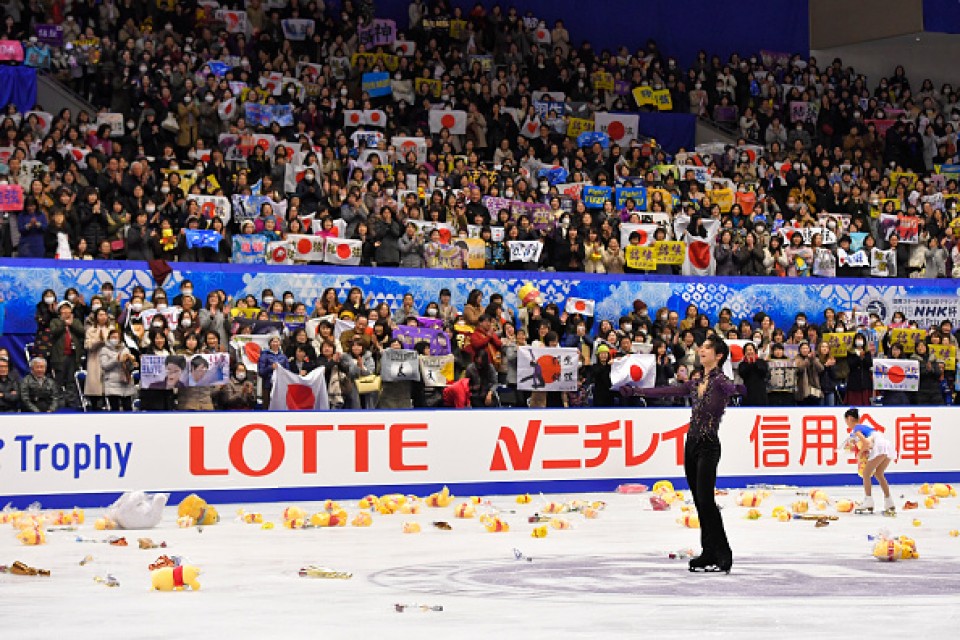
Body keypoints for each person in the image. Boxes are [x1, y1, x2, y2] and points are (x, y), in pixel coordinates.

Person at [630, 336, 740, 573]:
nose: (702, 349)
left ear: (718, 355)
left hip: (709, 445)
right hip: (690, 445)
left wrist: (738, 387)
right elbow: (669, 390)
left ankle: (723, 553)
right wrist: (638, 391)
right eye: (702, 346)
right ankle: (708, 551)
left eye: (708, 347)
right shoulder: (696, 381)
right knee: (700, 503)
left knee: (706, 501)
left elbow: (736, 389)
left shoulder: (720, 382)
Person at [842, 408, 896, 516]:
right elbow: (869, 443)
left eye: (846, 421)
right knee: (879, 473)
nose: (847, 424)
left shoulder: (856, 429)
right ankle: (889, 502)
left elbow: (866, 443)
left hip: (880, 447)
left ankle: (868, 500)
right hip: (887, 446)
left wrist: (859, 453)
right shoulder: (864, 427)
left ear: (850, 419)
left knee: (866, 474)